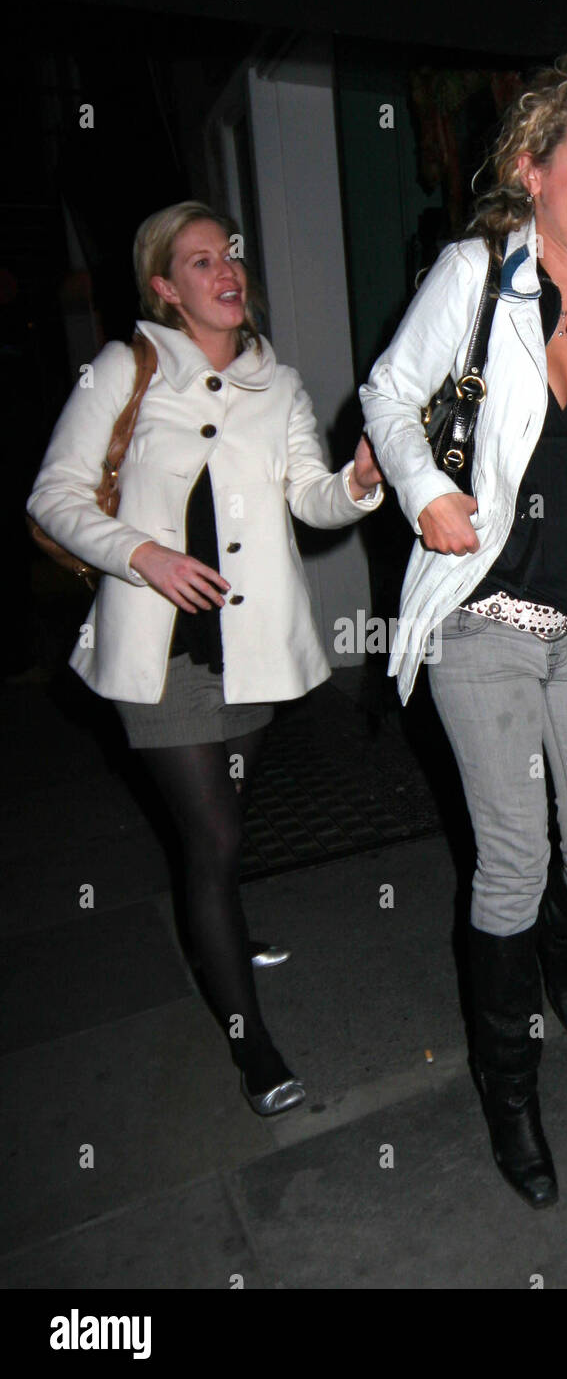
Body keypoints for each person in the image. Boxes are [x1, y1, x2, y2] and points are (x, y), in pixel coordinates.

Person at [360, 51, 567, 1207]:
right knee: (510, 859)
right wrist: (425, 492)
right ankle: (512, 1095)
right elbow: (388, 396)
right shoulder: (471, 271)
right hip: (483, 615)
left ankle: (563, 931)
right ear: (530, 169)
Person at [28, 200, 383, 1116]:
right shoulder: (126, 367)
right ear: (164, 287)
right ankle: (251, 1040)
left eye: (229, 255)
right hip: (160, 653)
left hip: (252, 649)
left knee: (222, 829)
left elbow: (312, 501)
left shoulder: (281, 383)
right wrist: (139, 553)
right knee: (215, 835)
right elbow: (55, 496)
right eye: (198, 262)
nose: (226, 271)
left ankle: (219, 919)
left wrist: (359, 483)